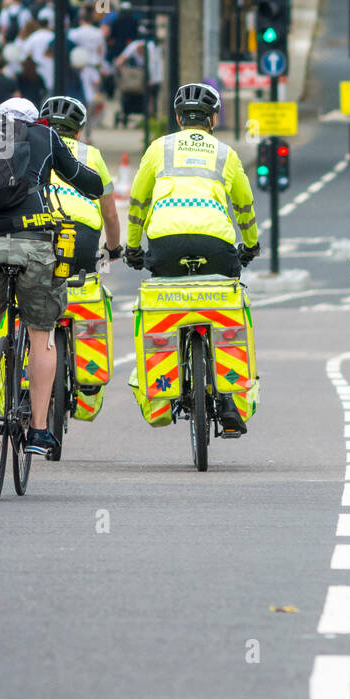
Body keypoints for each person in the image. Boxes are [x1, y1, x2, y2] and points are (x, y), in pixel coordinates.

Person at [0, 97, 104, 457]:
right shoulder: (45, 137)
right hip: (33, 242)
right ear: (36, 120)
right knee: (42, 331)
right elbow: (86, 182)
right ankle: (38, 430)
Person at [124, 83, 258, 435]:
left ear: (178, 118)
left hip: (166, 245)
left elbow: (138, 203)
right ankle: (228, 400)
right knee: (228, 306)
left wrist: (134, 248)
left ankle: (165, 392)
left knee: (164, 306)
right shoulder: (225, 154)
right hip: (215, 245)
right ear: (213, 119)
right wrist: (251, 245)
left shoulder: (158, 149)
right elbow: (244, 205)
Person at [39, 96, 121, 271]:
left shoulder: (35, 148)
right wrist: (112, 249)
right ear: (78, 132)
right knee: (86, 287)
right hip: (82, 235)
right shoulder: (92, 154)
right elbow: (110, 214)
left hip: (41, 230)